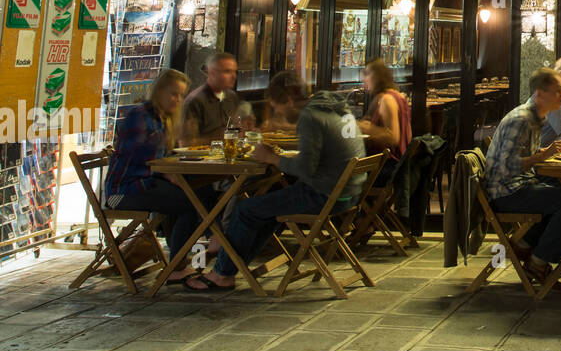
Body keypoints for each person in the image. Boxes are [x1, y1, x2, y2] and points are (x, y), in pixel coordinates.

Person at [185, 81, 365, 292]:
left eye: (275, 106)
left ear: (287, 100)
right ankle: (232, 265)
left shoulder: (310, 117)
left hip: (324, 195)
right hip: (348, 195)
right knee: (263, 210)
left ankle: (222, 274)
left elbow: (306, 169)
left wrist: (271, 158)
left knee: (245, 209)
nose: (276, 111)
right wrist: (276, 157)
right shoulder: (337, 111)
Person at [104, 69, 217, 284]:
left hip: (149, 185)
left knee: (205, 194)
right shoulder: (139, 116)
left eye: (182, 95)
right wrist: (168, 172)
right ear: (159, 92)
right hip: (122, 193)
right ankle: (179, 265)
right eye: (173, 94)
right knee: (191, 205)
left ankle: (205, 254)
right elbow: (141, 157)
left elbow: (164, 158)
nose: (178, 100)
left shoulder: (164, 119)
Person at [482, 67, 561, 288]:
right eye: (557, 91)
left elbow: (524, 158)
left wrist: (543, 154)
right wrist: (543, 155)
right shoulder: (521, 119)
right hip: (506, 192)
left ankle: (524, 243)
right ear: (540, 94)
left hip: (519, 185)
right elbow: (507, 165)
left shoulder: (535, 117)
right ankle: (538, 262)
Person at [358, 58, 412, 185]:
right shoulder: (397, 96)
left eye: (368, 74)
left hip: (388, 169)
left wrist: (365, 128)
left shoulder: (387, 99)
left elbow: (393, 137)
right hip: (399, 167)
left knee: (346, 176)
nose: (364, 79)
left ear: (378, 77)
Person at [181, 51, 244, 145]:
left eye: (235, 71)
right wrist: (218, 138)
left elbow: (237, 129)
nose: (234, 76)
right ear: (212, 73)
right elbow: (186, 143)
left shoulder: (231, 97)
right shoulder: (195, 101)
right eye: (227, 71)